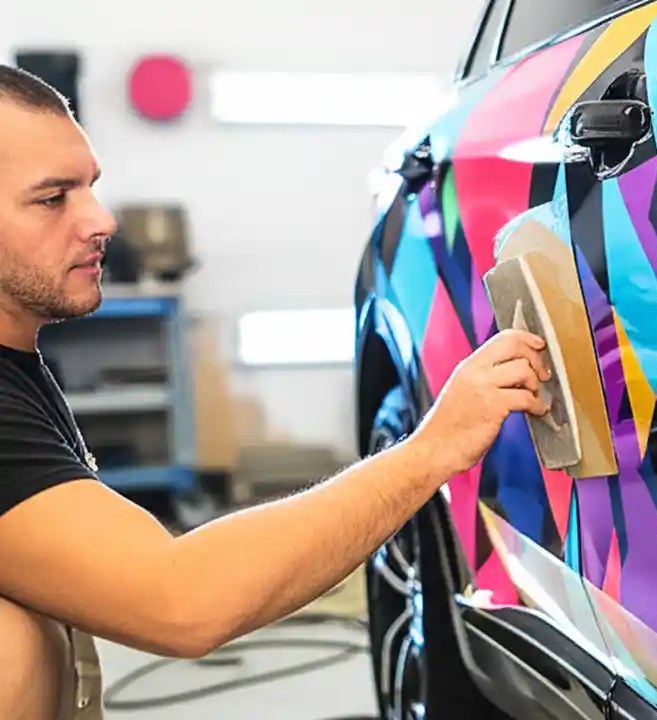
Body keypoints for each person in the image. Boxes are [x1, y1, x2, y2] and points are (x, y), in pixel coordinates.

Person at [0, 65, 552, 719]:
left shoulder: (22, 367)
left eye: (91, 186)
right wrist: (431, 448)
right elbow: (181, 601)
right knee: (14, 648)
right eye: (52, 197)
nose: (102, 219)